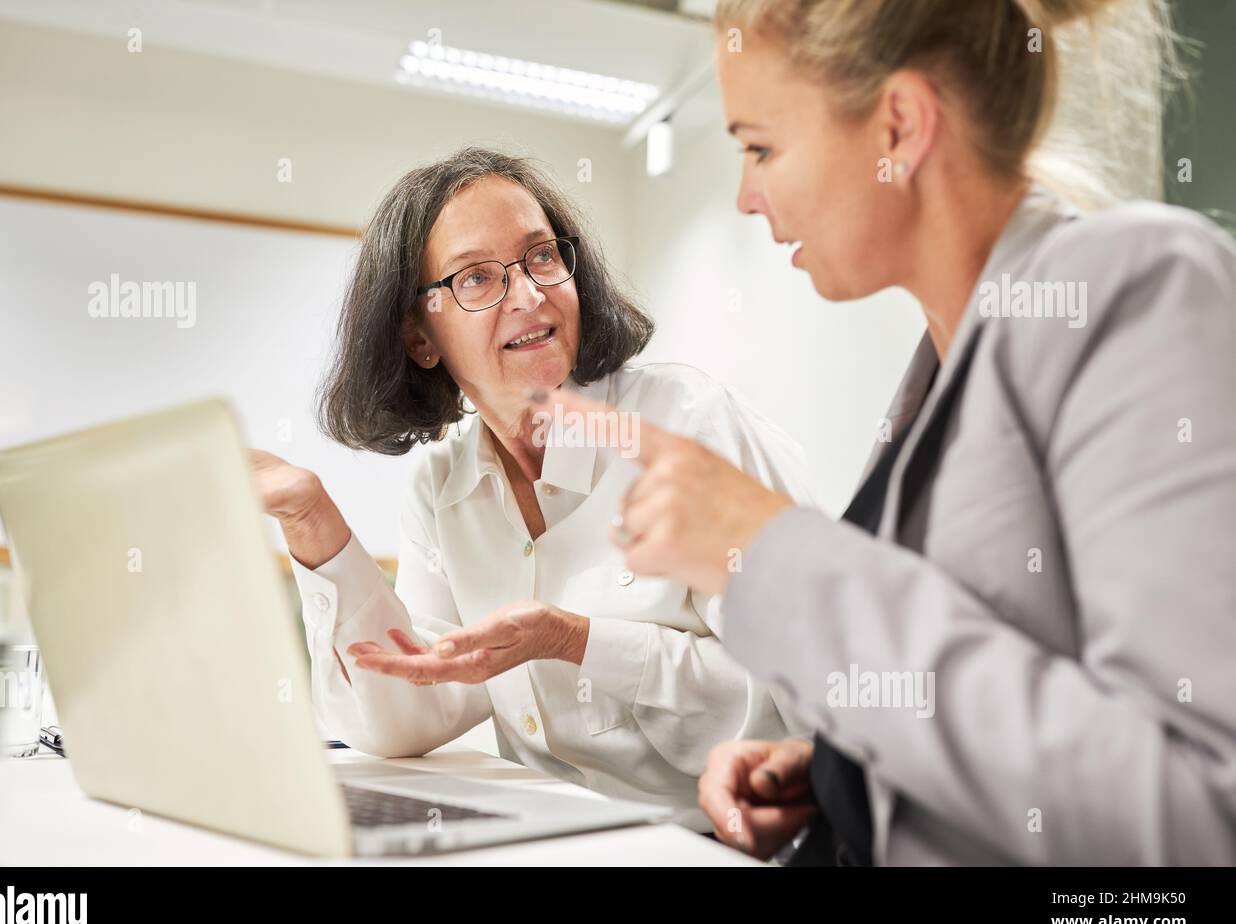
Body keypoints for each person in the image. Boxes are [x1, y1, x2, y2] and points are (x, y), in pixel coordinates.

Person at [536, 0, 1236, 862]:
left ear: (898, 126)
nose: (747, 196)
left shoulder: (1138, 286)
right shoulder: (947, 362)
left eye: (760, 146)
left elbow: (1196, 815)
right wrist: (849, 774)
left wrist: (773, 551)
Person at [250, 147, 814, 827]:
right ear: (420, 337)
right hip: (556, 843)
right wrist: (313, 524)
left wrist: (575, 640)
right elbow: (402, 718)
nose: (528, 294)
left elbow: (807, 695)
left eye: (541, 256)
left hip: (730, 844)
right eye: (478, 278)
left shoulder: (687, 424)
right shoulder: (441, 486)